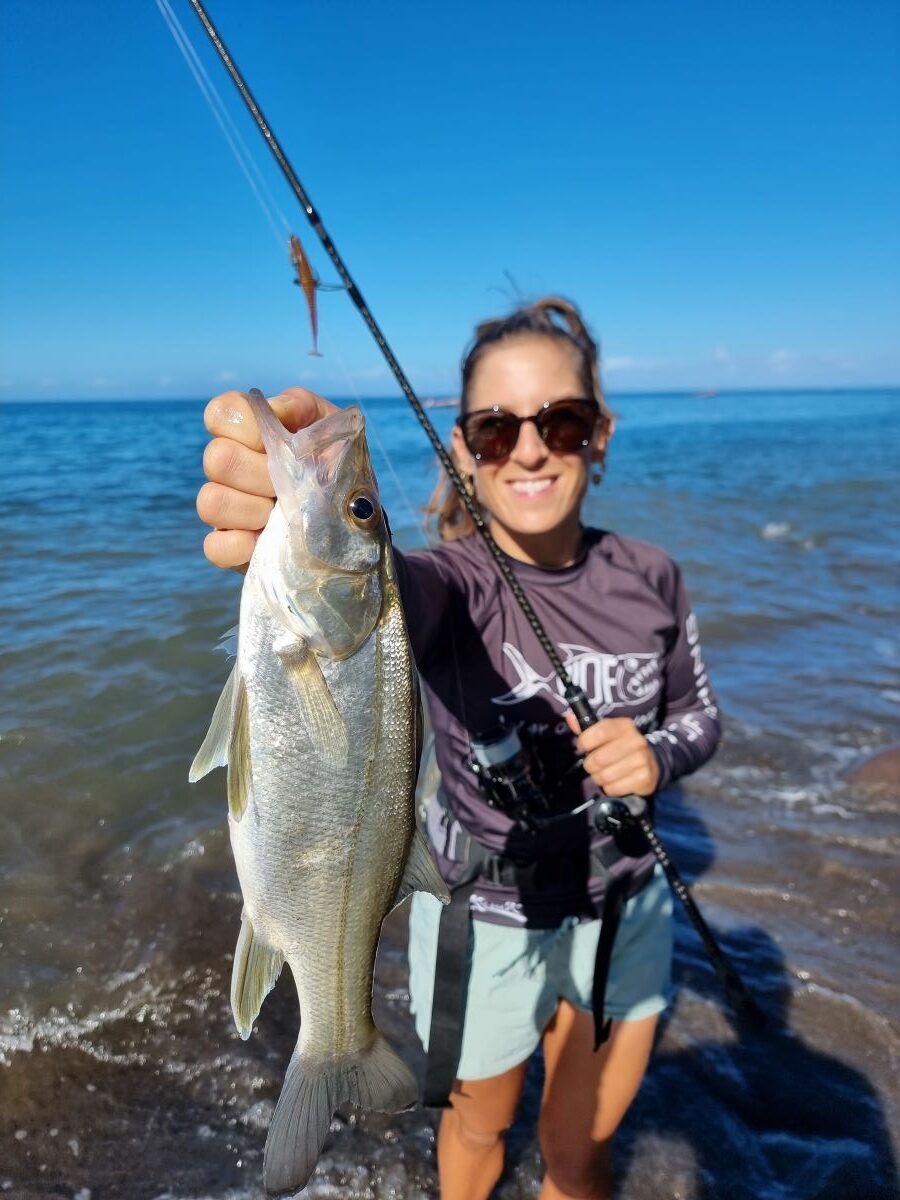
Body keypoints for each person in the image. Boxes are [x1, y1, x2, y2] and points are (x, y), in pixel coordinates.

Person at [196, 297, 721, 1200]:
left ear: (600, 433)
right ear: (463, 447)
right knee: (477, 1130)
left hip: (624, 909)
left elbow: (699, 716)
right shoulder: (446, 586)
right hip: (484, 919)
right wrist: (296, 508)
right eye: (496, 429)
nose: (530, 450)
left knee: (578, 1152)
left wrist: (658, 757)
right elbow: (385, 588)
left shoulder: (653, 576)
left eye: (562, 421)